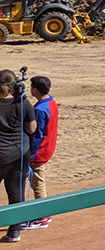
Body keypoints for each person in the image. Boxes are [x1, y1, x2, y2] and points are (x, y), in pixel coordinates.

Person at [0, 70, 37, 244]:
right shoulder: (23, 104)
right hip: (18, 154)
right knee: (15, 192)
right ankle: (14, 231)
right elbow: (31, 129)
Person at [25, 75, 58, 229]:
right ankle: (43, 214)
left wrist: (31, 155)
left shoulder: (39, 109)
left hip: (39, 151)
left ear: (36, 90)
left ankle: (42, 216)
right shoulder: (51, 103)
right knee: (39, 182)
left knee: (38, 184)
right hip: (48, 147)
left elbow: (36, 135)